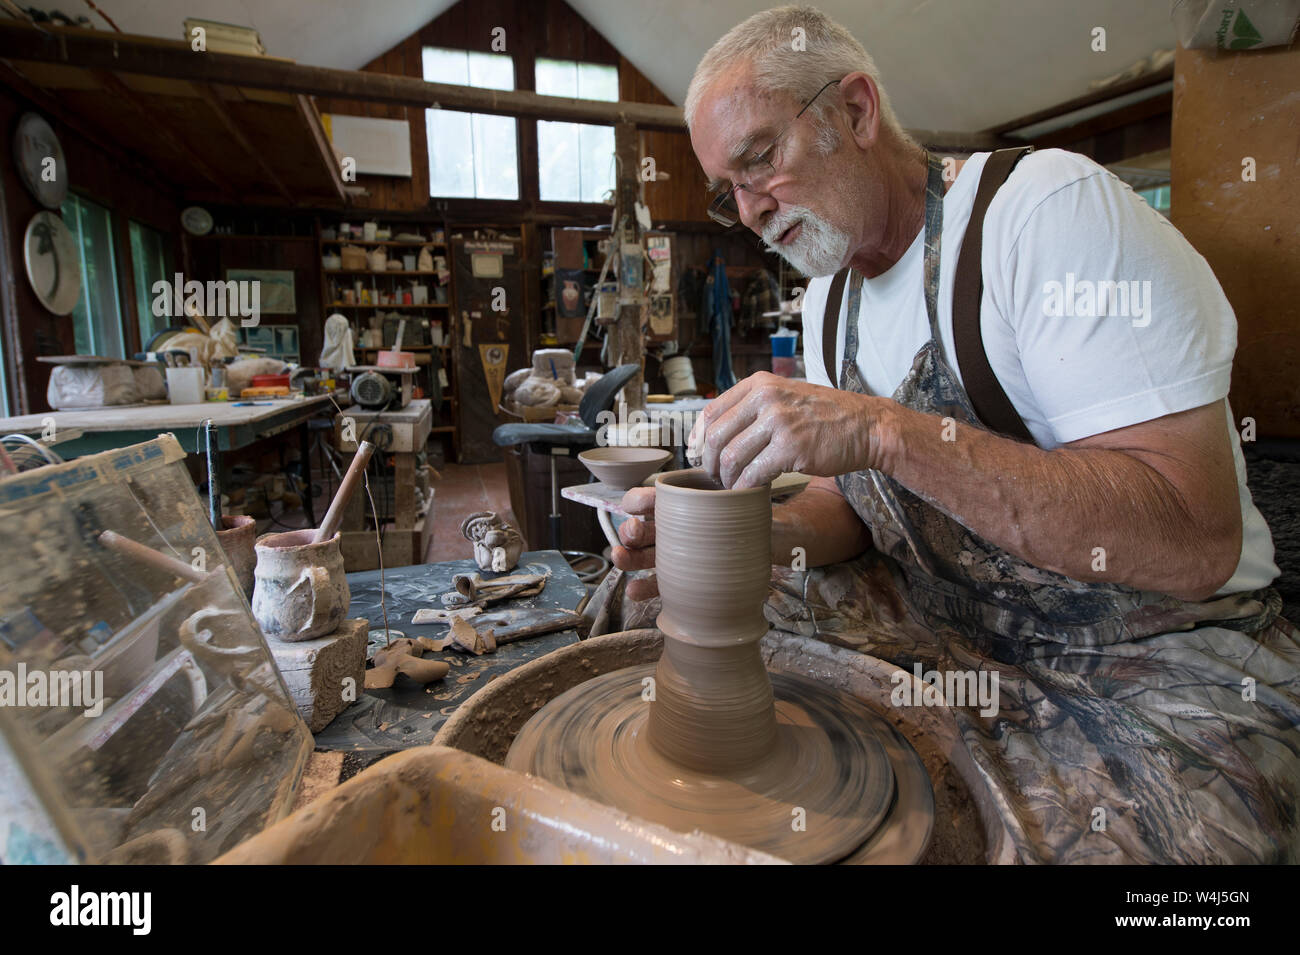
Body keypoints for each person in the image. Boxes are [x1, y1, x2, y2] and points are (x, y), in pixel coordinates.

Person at [612, 5, 1300, 864]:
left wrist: (886, 430)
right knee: (659, 609)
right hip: (959, 620)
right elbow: (856, 509)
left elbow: (1193, 538)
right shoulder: (830, 300)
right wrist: (724, 537)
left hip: (1157, 650)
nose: (750, 210)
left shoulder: (1046, 215)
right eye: (730, 190)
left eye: (760, 160)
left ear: (856, 112)